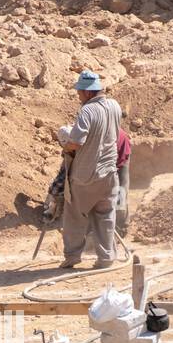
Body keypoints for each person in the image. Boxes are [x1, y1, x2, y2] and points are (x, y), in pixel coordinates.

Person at [58, 70, 122, 269]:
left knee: (74, 215)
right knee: (105, 216)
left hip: (86, 175)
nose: (78, 96)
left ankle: (72, 257)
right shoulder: (114, 105)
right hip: (110, 173)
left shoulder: (87, 111)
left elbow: (76, 141)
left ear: (88, 93)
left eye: (79, 92)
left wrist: (65, 145)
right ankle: (106, 257)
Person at [115, 127, 132, 238]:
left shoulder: (116, 134)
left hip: (122, 156)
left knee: (121, 190)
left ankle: (122, 225)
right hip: (111, 158)